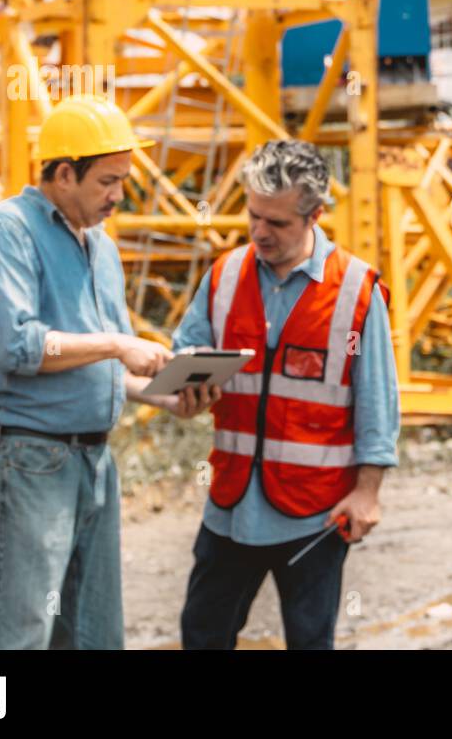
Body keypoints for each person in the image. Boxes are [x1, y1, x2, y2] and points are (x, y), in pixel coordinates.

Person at [0, 94, 220, 649]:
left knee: (92, 635)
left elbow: (95, 368)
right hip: (27, 458)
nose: (117, 196)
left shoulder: (100, 248)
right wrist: (117, 343)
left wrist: (166, 396)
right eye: (106, 181)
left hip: (92, 459)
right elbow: (16, 346)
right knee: (21, 635)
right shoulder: (3, 232)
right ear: (61, 174)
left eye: (123, 180)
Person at [174, 139, 400, 650]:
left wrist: (368, 492)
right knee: (202, 635)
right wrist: (186, 387)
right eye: (254, 216)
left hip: (315, 513)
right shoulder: (224, 277)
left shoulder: (356, 291)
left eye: (276, 223)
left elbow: (377, 401)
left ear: (314, 215)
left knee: (308, 641)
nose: (260, 232)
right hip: (230, 505)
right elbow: (184, 353)